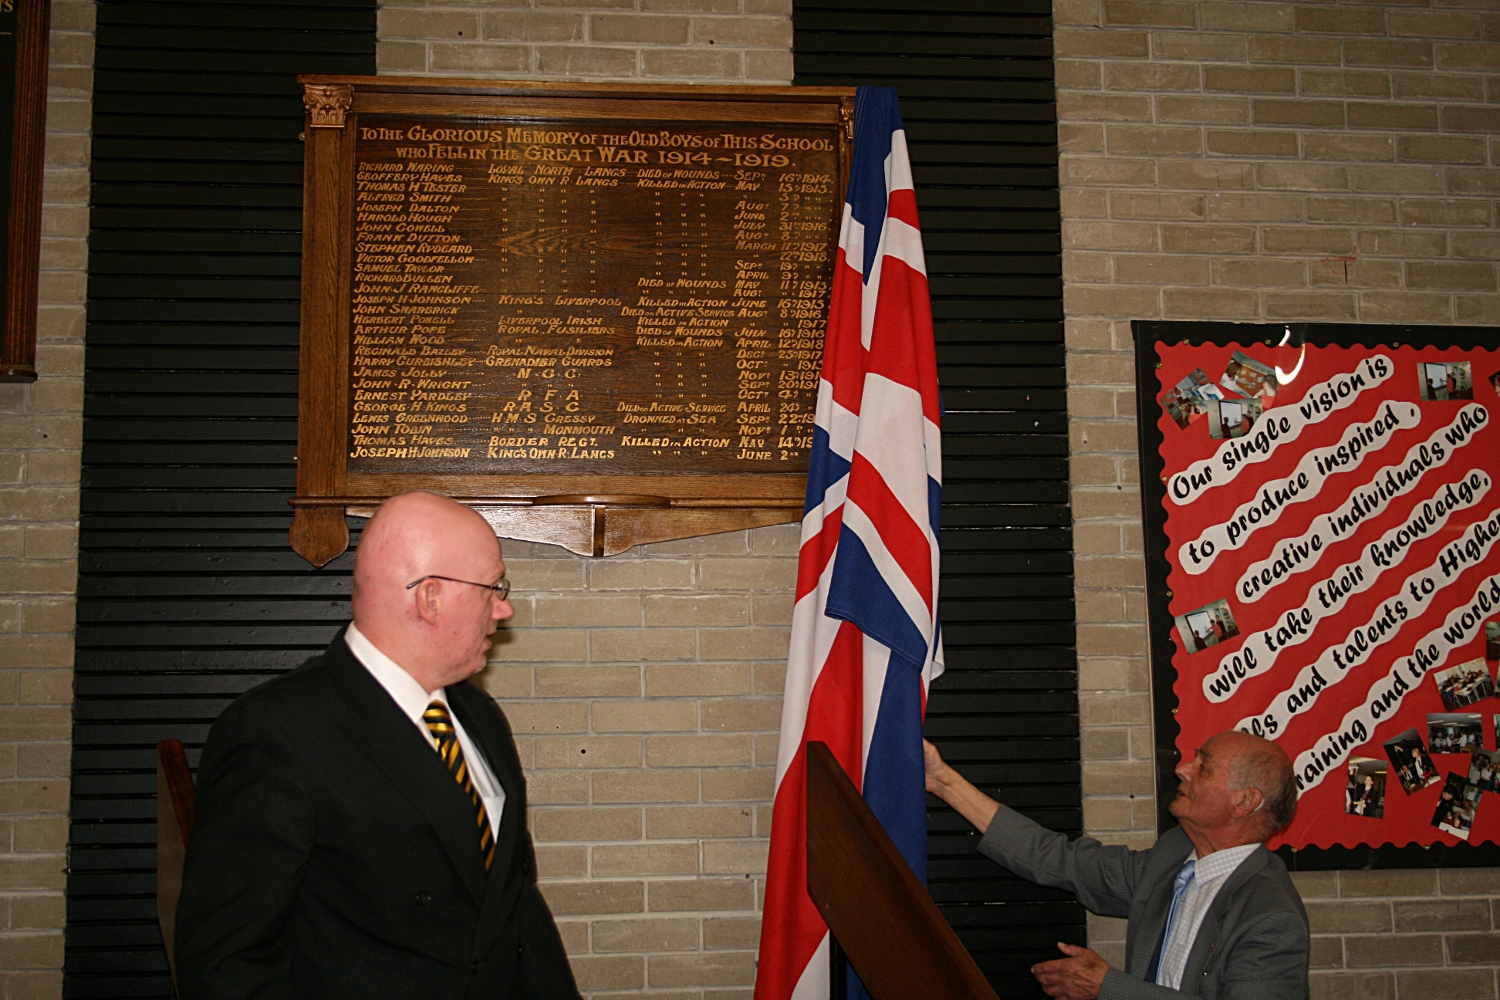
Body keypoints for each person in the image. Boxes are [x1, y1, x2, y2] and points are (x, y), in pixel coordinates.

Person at [176, 492, 579, 1000]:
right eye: (493, 587)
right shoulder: (278, 731)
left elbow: (516, 912)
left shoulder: (480, 719)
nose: (504, 607)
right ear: (429, 598)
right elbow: (226, 965)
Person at [924, 731, 1307, 1000]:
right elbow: (1061, 860)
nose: (1182, 770)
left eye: (1203, 768)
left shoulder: (1270, 914)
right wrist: (943, 782)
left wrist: (1108, 987)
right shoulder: (1173, 860)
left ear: (1245, 802)